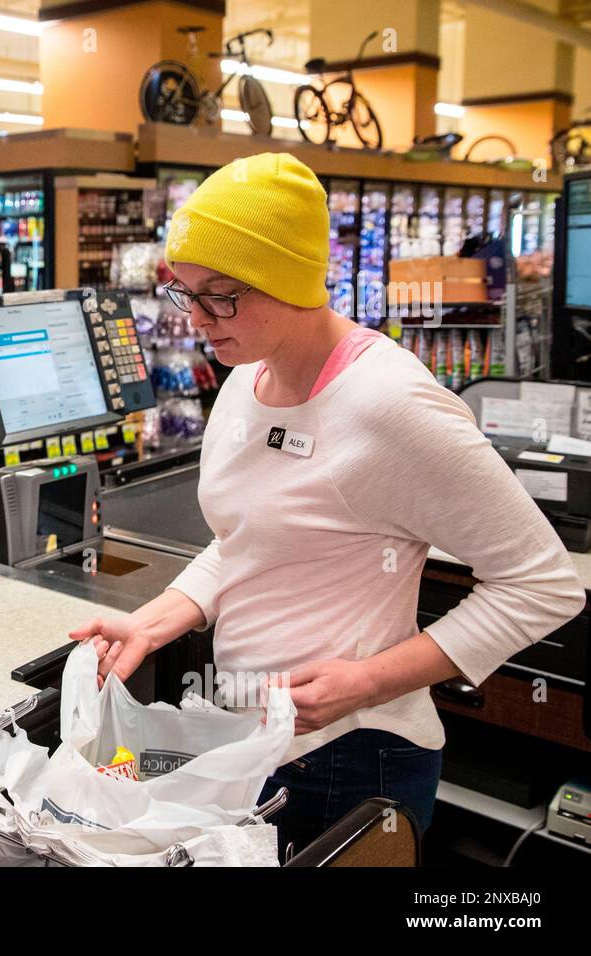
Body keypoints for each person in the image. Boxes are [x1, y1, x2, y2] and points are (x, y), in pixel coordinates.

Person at [69, 152, 585, 858]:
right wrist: (159, 620)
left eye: (223, 294)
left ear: (290, 278)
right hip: (256, 742)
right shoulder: (247, 375)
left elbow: (542, 583)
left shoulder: (387, 405)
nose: (198, 319)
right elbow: (250, 537)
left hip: (349, 758)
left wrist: (366, 681)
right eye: (185, 292)